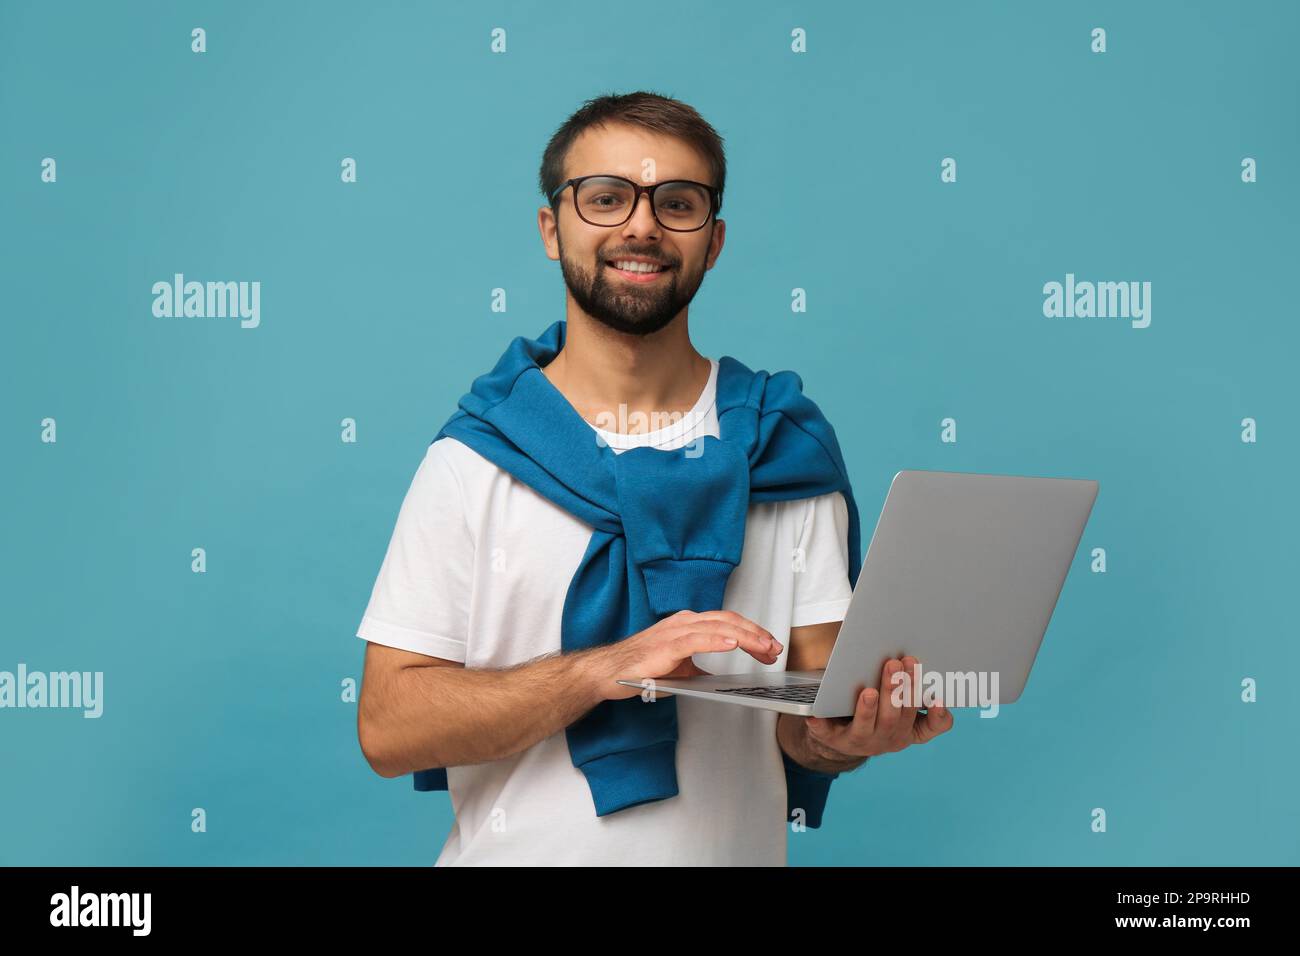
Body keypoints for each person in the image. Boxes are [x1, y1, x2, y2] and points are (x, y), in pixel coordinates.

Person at [354, 91, 953, 866]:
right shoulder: (473, 461)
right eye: (605, 198)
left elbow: (810, 724)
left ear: (714, 241)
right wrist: (603, 669)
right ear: (551, 229)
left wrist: (848, 735)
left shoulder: (785, 448)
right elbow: (388, 726)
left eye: (677, 203)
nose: (641, 225)